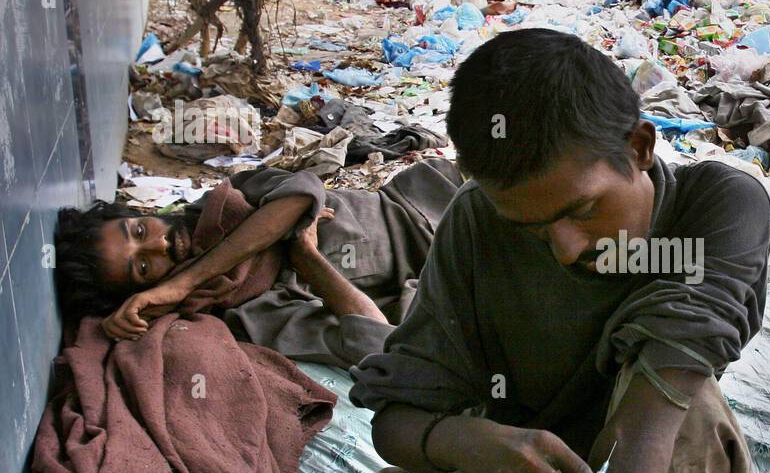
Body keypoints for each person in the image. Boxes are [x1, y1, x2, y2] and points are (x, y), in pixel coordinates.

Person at [223, 28, 770, 473]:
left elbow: (648, 436)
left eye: (582, 211)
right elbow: (397, 420)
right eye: (534, 230)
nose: (567, 248)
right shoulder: (474, 223)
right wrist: (465, 441)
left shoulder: (719, 206)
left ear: (638, 148)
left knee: (687, 413)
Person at [54, 157, 463, 368]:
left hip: (435, 199)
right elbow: (376, 342)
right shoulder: (249, 312)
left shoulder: (229, 202)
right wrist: (308, 258)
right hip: (451, 273)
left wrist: (184, 280)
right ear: (144, 293)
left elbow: (302, 193)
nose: (161, 244)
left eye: (140, 231)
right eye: (144, 268)